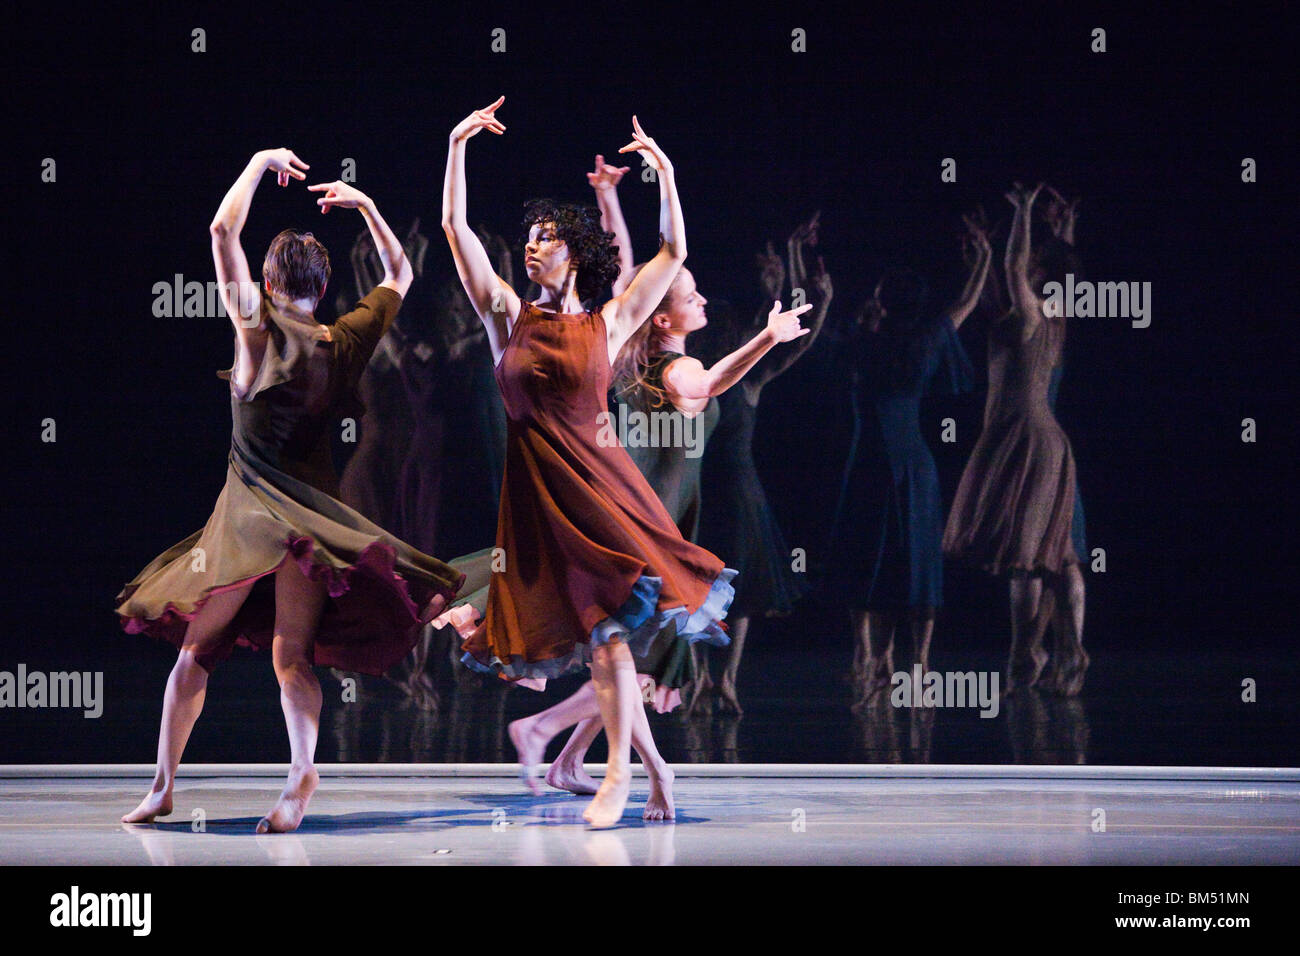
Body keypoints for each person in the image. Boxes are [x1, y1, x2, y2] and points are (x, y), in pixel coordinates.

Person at [439, 100, 804, 825]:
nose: (532, 247)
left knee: (609, 634)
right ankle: (658, 776)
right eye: (529, 238)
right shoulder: (506, 315)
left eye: (547, 239)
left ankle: (616, 780)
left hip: (602, 494)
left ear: (575, 250)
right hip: (536, 503)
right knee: (566, 631)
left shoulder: (608, 322)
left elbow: (671, 254)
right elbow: (455, 231)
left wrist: (664, 174)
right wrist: (457, 147)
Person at [116, 149, 466, 832]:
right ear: (322, 284)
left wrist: (253, 163)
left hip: (247, 525)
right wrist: (365, 205)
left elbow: (222, 233)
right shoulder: (342, 340)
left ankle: (162, 787)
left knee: (195, 651)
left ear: (269, 282)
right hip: (310, 532)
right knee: (291, 657)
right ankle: (301, 769)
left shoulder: (255, 335)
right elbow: (401, 272)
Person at [533, 162, 815, 794]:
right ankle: (561, 740)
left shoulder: (628, 346)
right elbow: (711, 382)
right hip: (641, 532)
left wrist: (607, 195)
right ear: (663, 320)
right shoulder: (672, 369)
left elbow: (627, 264)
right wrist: (768, 338)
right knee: (635, 656)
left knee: (634, 656)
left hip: (646, 521)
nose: (704, 300)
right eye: (691, 298)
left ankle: (563, 757)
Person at [828, 216, 988, 707]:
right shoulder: (928, 338)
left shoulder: (862, 342)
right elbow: (965, 304)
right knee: (915, 565)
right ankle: (913, 668)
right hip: (913, 466)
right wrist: (982, 258)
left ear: (884, 303)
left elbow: (825, 334)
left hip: (871, 464)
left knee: (870, 562)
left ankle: (870, 658)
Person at [942, 182, 1088, 696]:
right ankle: (1048, 652)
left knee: (1026, 559)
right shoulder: (1053, 315)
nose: (1021, 270)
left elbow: (1014, 270)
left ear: (1040, 277)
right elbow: (1015, 276)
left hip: (1026, 440)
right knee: (1052, 555)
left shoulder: (1032, 313)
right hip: (1036, 439)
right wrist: (984, 253)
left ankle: (1027, 655)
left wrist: (1024, 212)